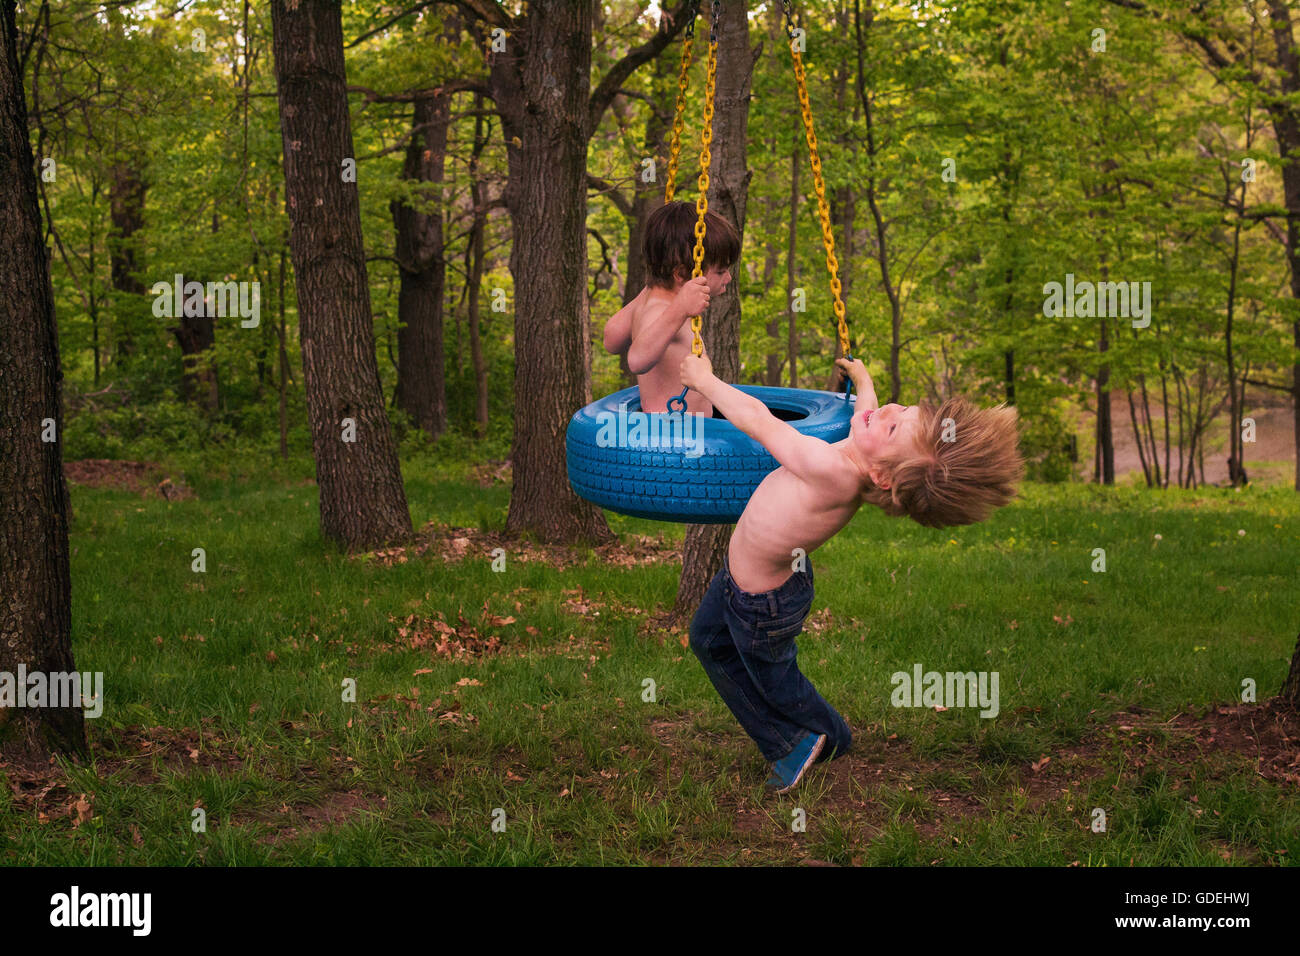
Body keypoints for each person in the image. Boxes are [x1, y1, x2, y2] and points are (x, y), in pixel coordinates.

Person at [679, 351, 1025, 792]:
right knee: (708, 643)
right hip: (748, 583)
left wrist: (705, 381)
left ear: (883, 478)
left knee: (773, 680)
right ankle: (832, 738)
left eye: (895, 424)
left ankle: (794, 742)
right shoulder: (865, 456)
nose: (887, 411)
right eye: (900, 408)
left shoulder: (833, 471)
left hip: (759, 603)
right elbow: (868, 418)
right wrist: (863, 382)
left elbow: (760, 421)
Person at [604, 201, 741, 414]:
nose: (729, 278)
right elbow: (637, 360)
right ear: (682, 274)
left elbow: (611, 340)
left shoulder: (650, 296)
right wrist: (680, 309)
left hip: (685, 432)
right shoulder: (664, 310)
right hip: (674, 438)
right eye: (721, 272)